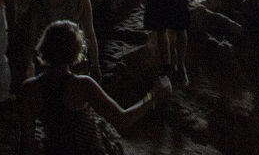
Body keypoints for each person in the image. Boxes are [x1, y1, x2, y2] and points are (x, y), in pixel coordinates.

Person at [19, 20, 172, 155]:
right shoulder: (82, 85)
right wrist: (153, 95)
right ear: (75, 51)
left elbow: (27, 144)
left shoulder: (29, 88)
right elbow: (122, 119)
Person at [25, 0, 101, 80]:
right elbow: (90, 34)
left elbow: (31, 39)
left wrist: (28, 64)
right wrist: (95, 65)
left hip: (47, 65)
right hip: (74, 62)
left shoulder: (36, 3)